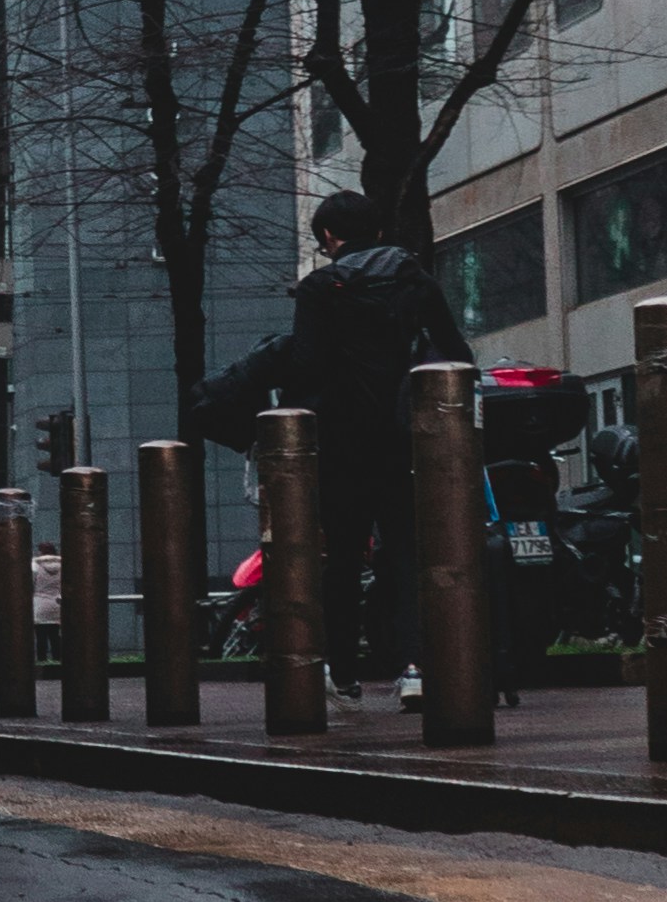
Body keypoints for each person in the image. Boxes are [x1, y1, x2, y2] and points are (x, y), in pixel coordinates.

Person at [196, 192, 473, 696]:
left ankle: (343, 674)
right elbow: (455, 352)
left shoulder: (321, 287)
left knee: (343, 557)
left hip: (342, 445)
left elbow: (307, 366)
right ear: (381, 233)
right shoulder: (415, 278)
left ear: (328, 238)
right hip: (404, 441)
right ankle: (415, 667)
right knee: (409, 554)